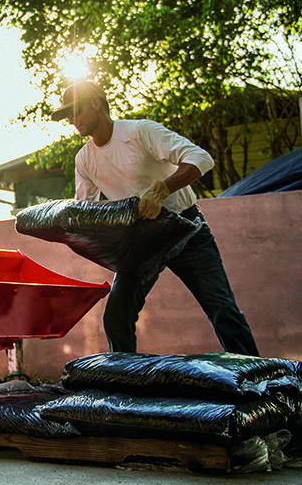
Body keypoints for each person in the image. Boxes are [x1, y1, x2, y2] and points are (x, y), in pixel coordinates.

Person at [51, 79, 260, 356]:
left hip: (186, 230)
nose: (71, 120)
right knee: (117, 317)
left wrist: (163, 189)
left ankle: (256, 375)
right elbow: (85, 211)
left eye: (75, 111)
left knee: (222, 310)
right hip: (141, 241)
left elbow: (201, 158)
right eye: (67, 115)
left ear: (96, 103)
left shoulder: (139, 132)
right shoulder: (85, 159)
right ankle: (124, 379)